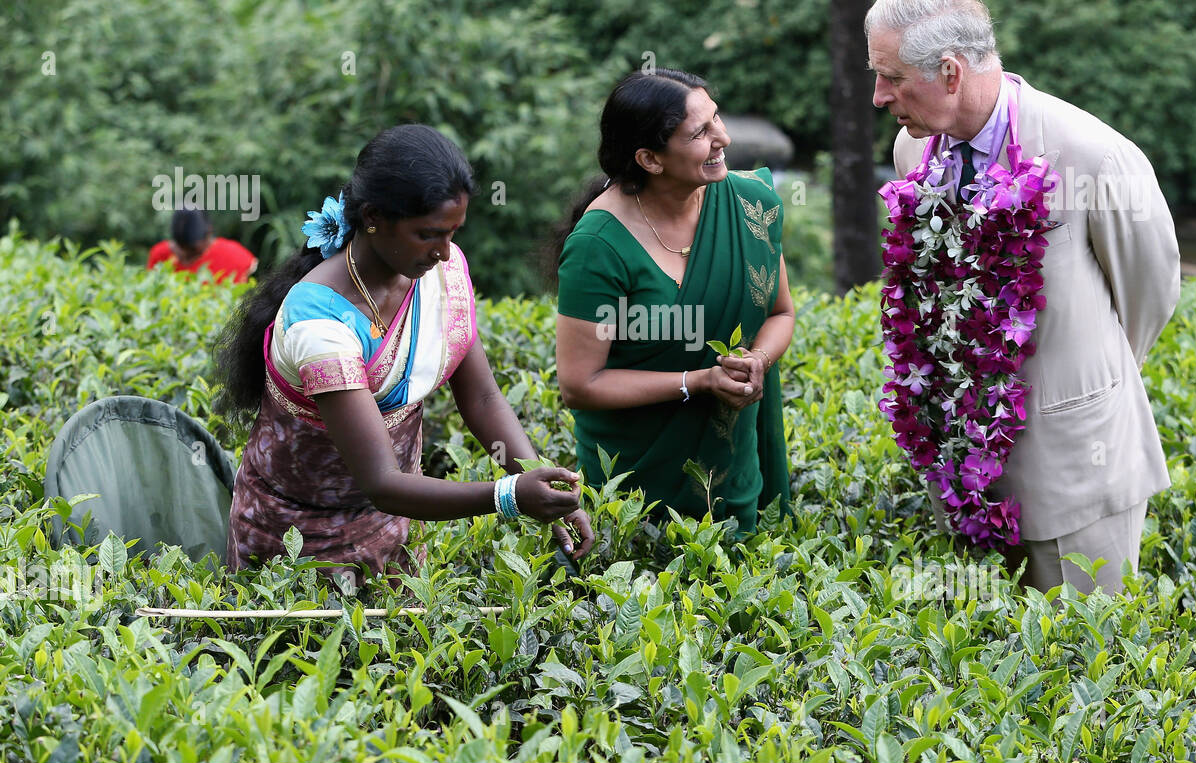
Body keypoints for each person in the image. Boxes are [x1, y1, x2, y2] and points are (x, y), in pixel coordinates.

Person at [868, 0, 1181, 594]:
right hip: (961, 465)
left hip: (1075, 472)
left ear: (951, 72)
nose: (879, 95)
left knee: (1082, 666)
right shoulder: (914, 150)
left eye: (891, 76)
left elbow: (1150, 294)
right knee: (987, 674)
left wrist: (1087, 388)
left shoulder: (1095, 157)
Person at [214, 124, 594, 578]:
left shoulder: (437, 273)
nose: (444, 251)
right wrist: (510, 495)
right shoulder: (318, 323)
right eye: (428, 234)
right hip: (296, 542)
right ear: (373, 217)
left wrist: (541, 478)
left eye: (453, 232)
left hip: (397, 522)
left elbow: (482, 397)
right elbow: (383, 482)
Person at [555, 70, 794, 534]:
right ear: (649, 158)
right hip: (634, 486)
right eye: (700, 132)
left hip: (731, 467)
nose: (722, 137)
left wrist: (756, 361)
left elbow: (780, 312)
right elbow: (581, 384)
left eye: (716, 119)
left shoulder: (751, 204)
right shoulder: (598, 246)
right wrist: (698, 381)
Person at [148, 206, 258, 283]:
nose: (184, 254)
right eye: (179, 247)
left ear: (208, 233)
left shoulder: (235, 257)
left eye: (192, 250)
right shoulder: (161, 255)